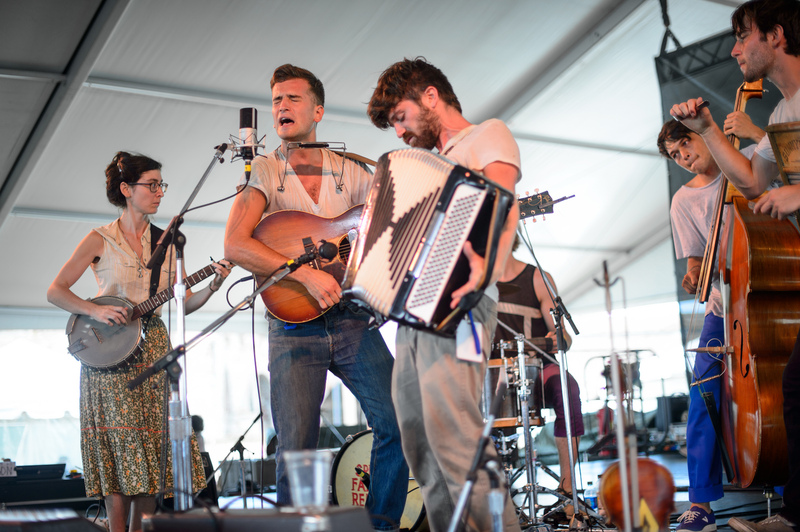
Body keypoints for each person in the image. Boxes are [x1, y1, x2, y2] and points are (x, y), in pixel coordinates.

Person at [223, 64, 407, 531]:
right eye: (276, 100)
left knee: (399, 424)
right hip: (291, 325)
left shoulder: (355, 171)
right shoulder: (263, 169)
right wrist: (303, 274)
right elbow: (236, 245)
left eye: (293, 98)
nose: (281, 106)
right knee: (295, 448)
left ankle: (380, 526)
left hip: (351, 321)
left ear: (318, 110)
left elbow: (385, 239)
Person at [367, 57, 521, 532]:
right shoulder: (428, 162)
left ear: (430, 96)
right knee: (419, 442)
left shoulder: (487, 134)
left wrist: (488, 268)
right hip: (415, 313)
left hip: (464, 307)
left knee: (457, 438)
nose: (398, 133)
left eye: (400, 117)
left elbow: (502, 202)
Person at [47, 152, 231, 532]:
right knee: (120, 449)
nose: (160, 192)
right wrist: (95, 311)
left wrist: (215, 283)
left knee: (150, 448)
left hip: (153, 348)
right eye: (152, 184)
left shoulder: (167, 242)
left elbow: (185, 301)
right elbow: (56, 291)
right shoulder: (99, 238)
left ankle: (142, 529)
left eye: (162, 184)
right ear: (127, 189)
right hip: (109, 355)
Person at [670, 1, 800, 530]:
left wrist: (798, 195)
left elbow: (775, 191)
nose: (734, 48)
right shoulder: (784, 116)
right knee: (793, 387)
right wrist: (706, 126)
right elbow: (751, 180)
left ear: (775, 34)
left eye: (742, 36)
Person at [658, 116, 763, 532]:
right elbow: (696, 262)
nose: (683, 156)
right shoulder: (682, 201)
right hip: (723, 306)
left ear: (702, 134)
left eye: (685, 144)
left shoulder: (745, 162)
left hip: (767, 287)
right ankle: (700, 502)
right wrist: (693, 274)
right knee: (703, 391)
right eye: (674, 154)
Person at [492, 238, 583, 520]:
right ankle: (494, 498)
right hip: (492, 374)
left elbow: (564, 336)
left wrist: (560, 337)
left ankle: (568, 489)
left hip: (538, 369)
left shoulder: (538, 279)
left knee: (567, 389)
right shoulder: (474, 283)